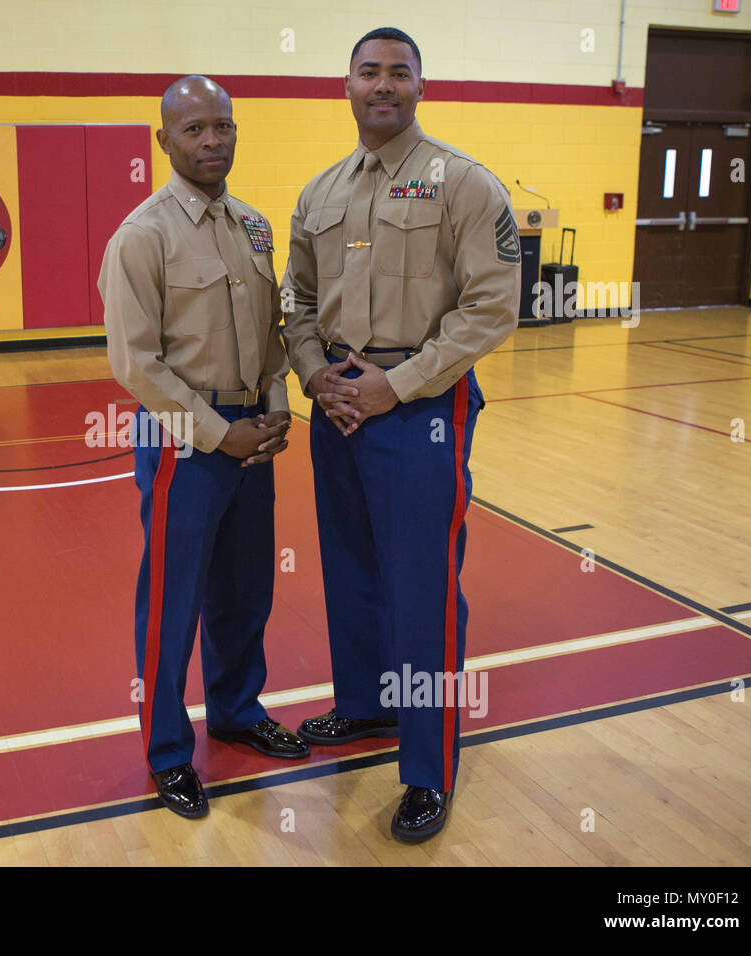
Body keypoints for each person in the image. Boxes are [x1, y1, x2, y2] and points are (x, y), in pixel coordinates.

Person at [280, 27, 519, 841]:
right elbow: (298, 304)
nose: (382, 84)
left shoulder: (465, 184)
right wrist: (316, 375)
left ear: (421, 86)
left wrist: (399, 385)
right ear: (345, 85)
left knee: (422, 595)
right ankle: (368, 710)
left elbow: (491, 309)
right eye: (368, 72)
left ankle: (428, 768)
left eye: (398, 73)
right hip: (339, 403)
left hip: (421, 407)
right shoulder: (318, 192)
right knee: (350, 573)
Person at [98, 75, 310, 820]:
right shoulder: (142, 236)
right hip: (188, 445)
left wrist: (277, 409)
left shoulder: (254, 225)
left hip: (254, 436)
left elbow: (275, 334)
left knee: (246, 592)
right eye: (194, 130)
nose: (212, 141)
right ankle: (166, 753)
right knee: (172, 603)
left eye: (223, 127)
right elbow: (137, 364)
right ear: (164, 140)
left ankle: (237, 711)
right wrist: (223, 432)